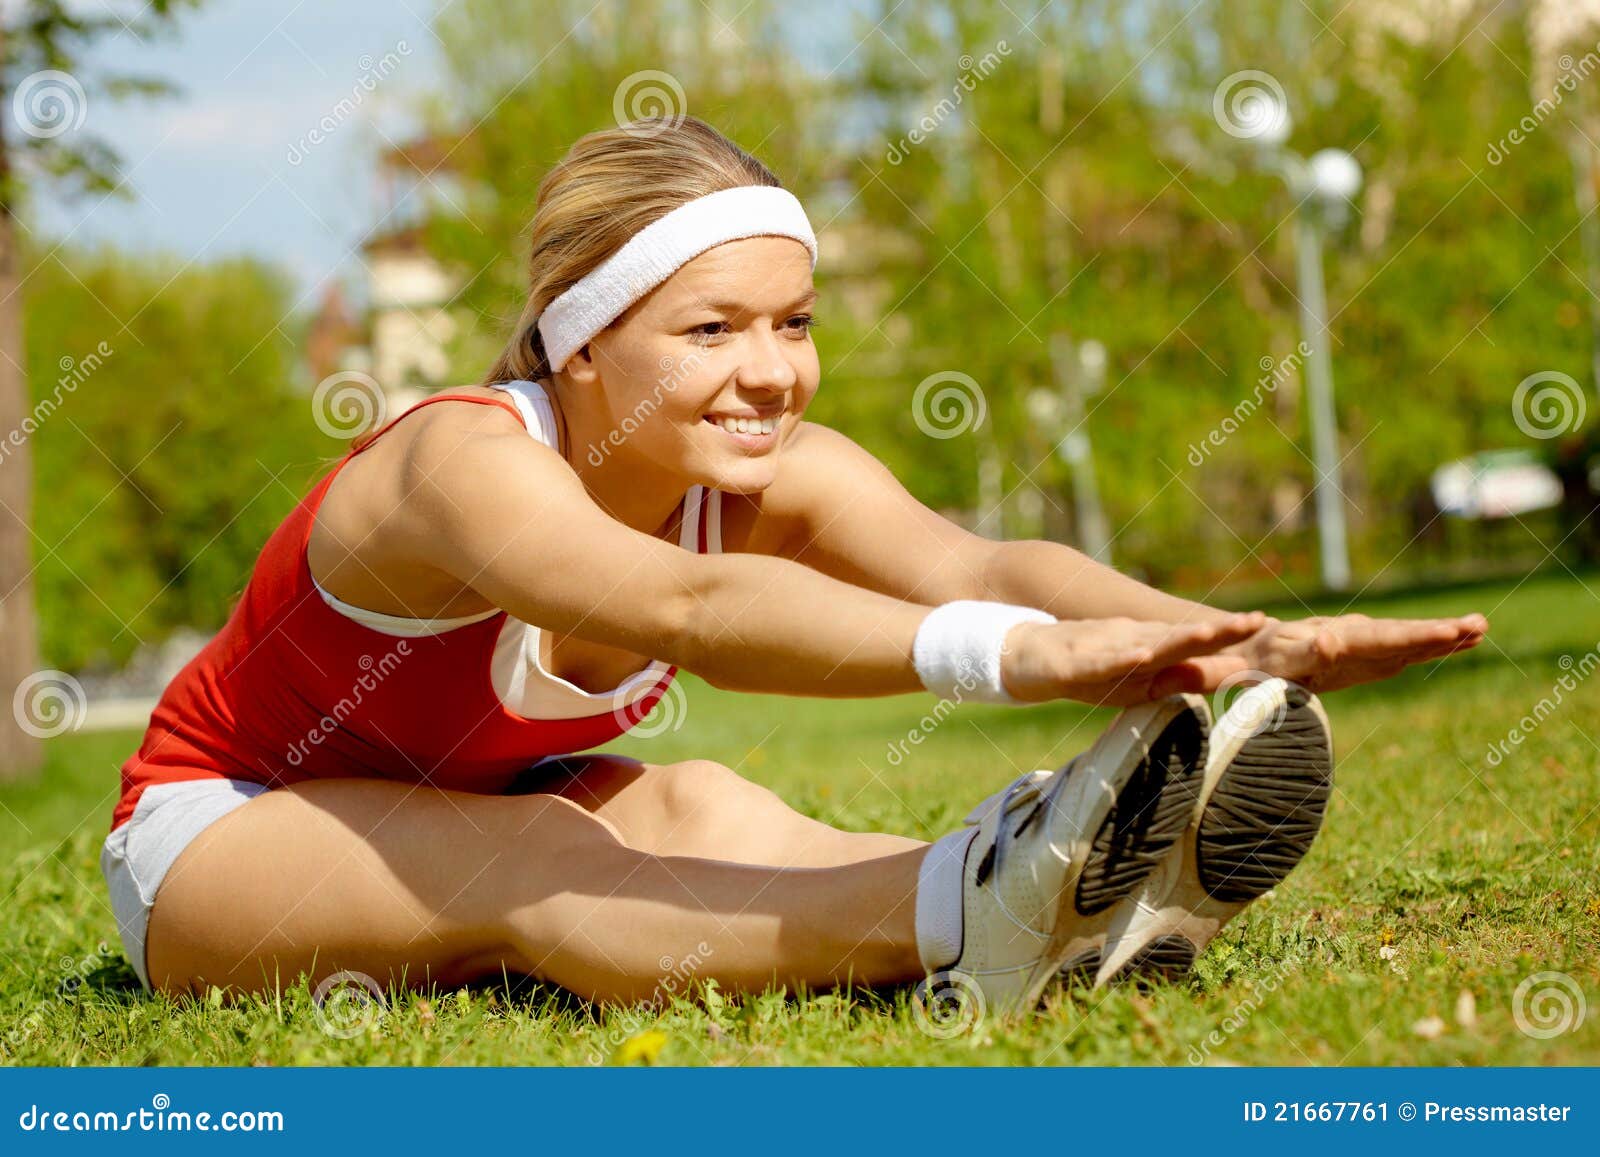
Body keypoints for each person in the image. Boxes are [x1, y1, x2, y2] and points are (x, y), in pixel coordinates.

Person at [101, 116, 1487, 1015]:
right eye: (712, 330)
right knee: (534, 854)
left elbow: (982, 558)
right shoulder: (455, 464)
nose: (772, 372)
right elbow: (681, 605)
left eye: (794, 322)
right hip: (221, 839)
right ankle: (984, 906)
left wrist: (1248, 641)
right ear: (581, 341)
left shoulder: (768, 472)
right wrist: (1019, 661)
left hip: (459, 800)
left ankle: (1043, 882)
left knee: (697, 801)